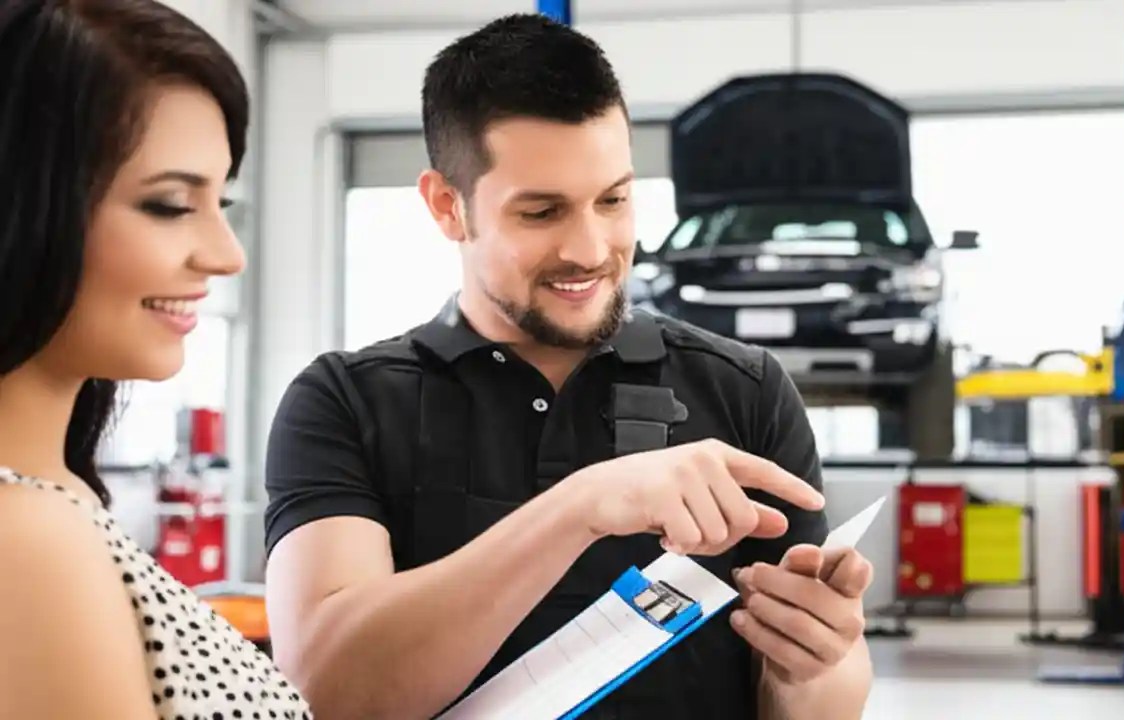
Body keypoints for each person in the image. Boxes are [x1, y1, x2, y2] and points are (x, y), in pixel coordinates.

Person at [264, 13, 873, 720]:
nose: (590, 248)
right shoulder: (345, 402)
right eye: (542, 212)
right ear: (446, 206)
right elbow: (326, 691)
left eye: (613, 200)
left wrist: (812, 668)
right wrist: (580, 508)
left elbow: (817, 698)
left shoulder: (745, 390)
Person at [0, 1, 312, 717]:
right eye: (171, 205)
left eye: (221, 202)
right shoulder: (30, 541)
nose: (225, 254)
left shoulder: (60, 509)